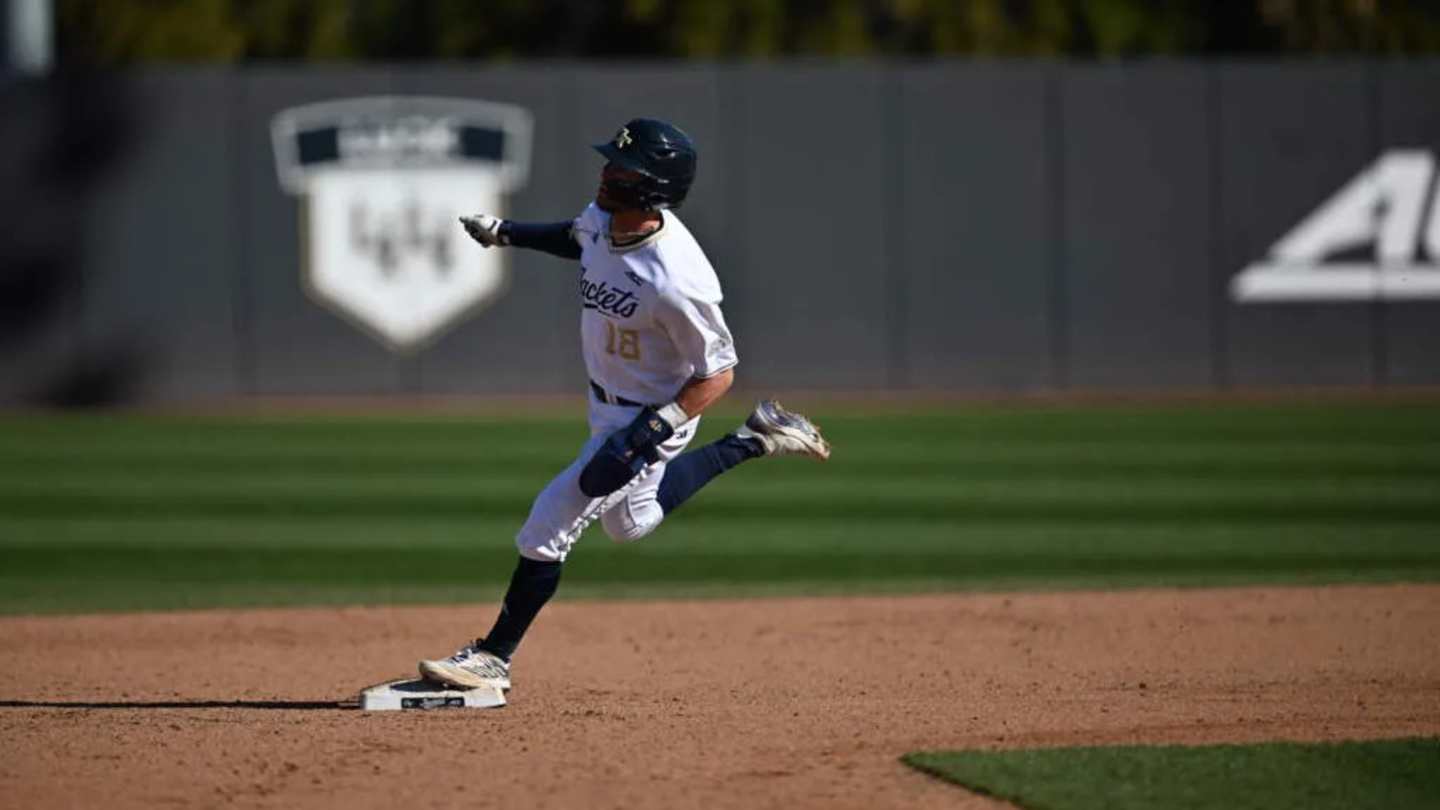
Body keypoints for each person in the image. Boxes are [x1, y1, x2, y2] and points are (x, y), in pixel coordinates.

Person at [418, 118, 830, 692]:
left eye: (623, 167)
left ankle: (493, 658)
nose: (607, 171)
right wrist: (506, 233)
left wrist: (648, 434)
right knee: (629, 525)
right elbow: (577, 237)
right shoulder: (605, 219)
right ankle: (753, 438)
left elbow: (718, 373)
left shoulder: (677, 280)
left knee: (547, 526)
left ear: (652, 187)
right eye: (612, 160)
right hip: (608, 405)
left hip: (652, 415)